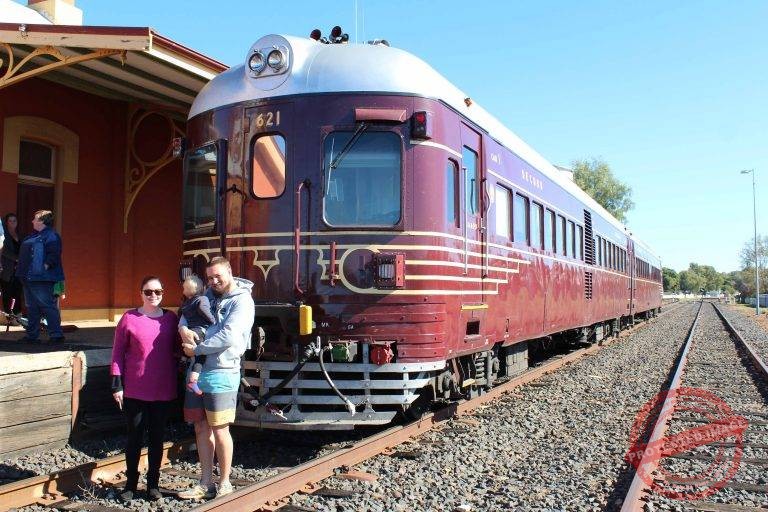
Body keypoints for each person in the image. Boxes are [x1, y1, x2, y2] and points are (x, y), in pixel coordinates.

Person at [177, 257, 254, 500]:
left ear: (230, 272)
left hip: (223, 371)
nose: (214, 281)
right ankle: (205, 483)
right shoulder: (207, 294)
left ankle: (225, 483)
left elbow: (229, 336)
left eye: (218, 276)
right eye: (210, 277)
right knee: (201, 427)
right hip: (198, 372)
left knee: (220, 429)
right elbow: (186, 312)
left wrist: (196, 350)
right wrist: (183, 329)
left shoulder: (242, 301)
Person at [110, 276, 179, 502]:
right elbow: (118, 352)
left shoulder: (171, 319)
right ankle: (130, 484)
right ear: (141, 293)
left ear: (163, 293)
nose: (153, 296)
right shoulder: (129, 317)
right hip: (135, 389)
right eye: (148, 292)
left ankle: (153, 485)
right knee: (134, 438)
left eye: (158, 292)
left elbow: (179, 349)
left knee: (157, 438)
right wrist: (116, 383)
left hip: (163, 388)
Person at [15, 210, 64, 342]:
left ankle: (56, 335)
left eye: (35, 219)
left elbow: (54, 253)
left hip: (41, 278)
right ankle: (32, 335)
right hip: (28, 277)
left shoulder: (51, 235)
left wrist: (46, 266)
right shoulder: (33, 236)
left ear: (42, 221)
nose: (32, 221)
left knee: (47, 305)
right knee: (32, 307)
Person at [180, 275, 215, 395]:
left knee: (190, 352)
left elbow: (182, 314)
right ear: (201, 287)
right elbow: (203, 309)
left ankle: (183, 360)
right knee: (201, 356)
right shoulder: (202, 299)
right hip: (200, 331)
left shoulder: (185, 304)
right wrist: (213, 320)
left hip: (190, 330)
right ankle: (193, 381)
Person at [1, 213, 23, 322]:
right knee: (7, 293)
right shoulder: (3, 235)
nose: (13, 223)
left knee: (17, 293)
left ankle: (18, 316)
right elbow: (3, 250)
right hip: (7, 269)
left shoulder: (20, 235)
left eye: (15, 220)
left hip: (19, 270)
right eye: (10, 221)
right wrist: (16, 259)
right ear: (6, 222)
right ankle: (9, 318)